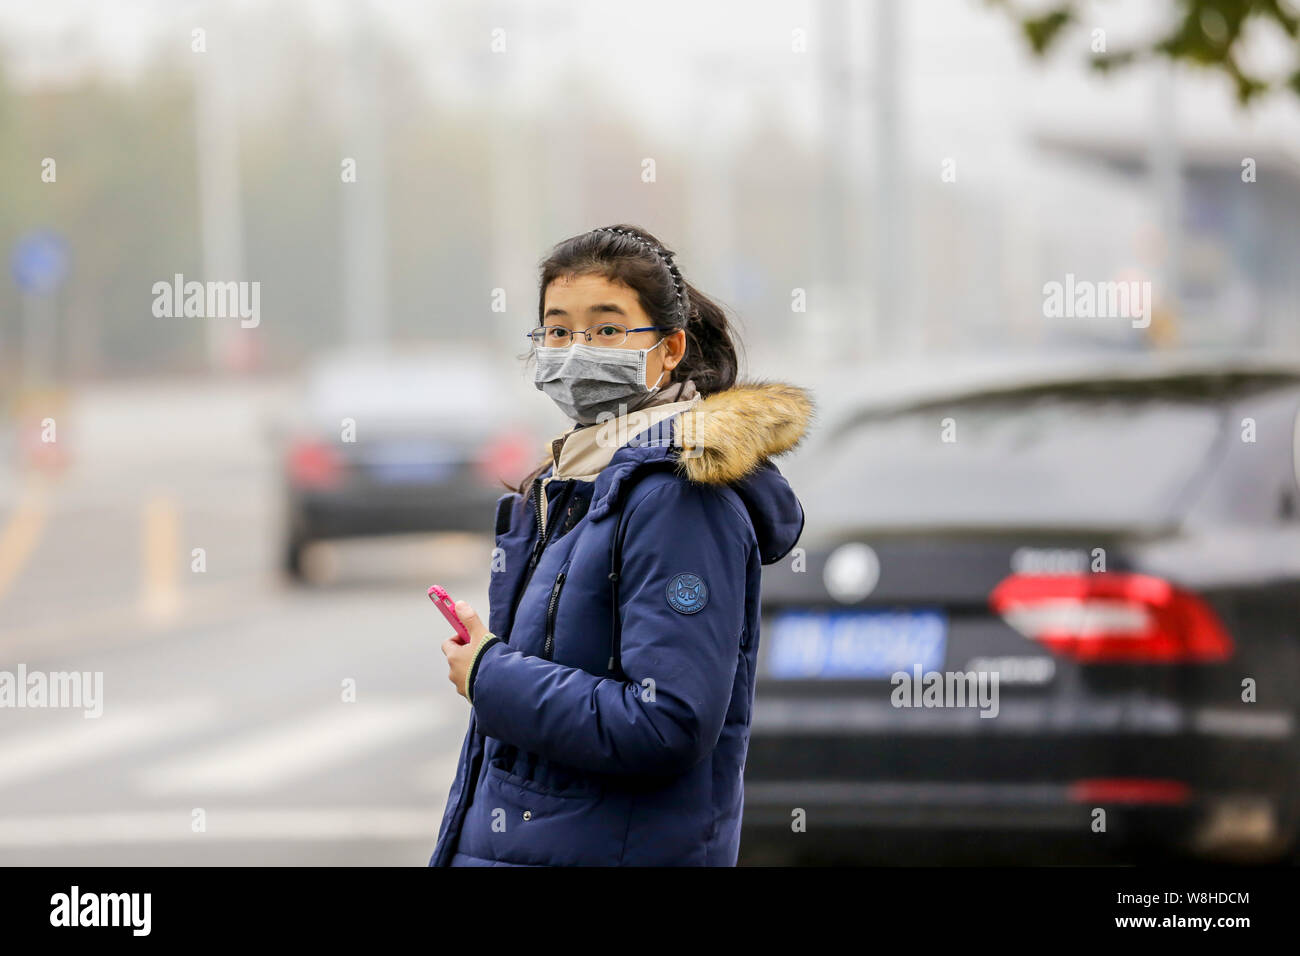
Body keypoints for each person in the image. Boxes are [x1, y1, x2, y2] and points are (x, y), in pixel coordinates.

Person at [429, 224, 812, 866]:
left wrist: (491, 674)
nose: (577, 350)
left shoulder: (680, 497)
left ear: (669, 351)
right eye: (558, 330)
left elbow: (666, 722)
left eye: (607, 330)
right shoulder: (575, 483)